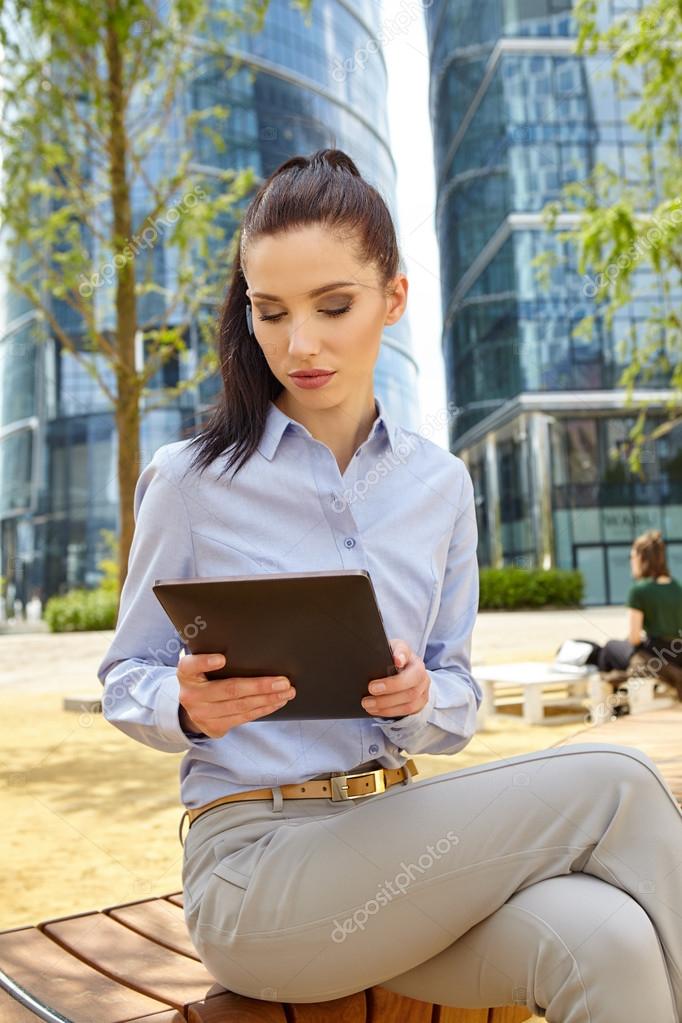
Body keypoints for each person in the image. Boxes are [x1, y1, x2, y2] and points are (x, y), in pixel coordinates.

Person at [97, 149, 682, 1023]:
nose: (302, 343)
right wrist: (185, 705)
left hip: (404, 852)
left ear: (393, 298)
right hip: (258, 874)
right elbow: (123, 677)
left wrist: (416, 699)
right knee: (619, 778)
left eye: (334, 306)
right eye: (271, 312)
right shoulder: (190, 481)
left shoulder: (440, 486)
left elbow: (458, 695)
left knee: (610, 941)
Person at [580, 531, 682, 689]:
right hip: (677, 657)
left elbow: (634, 638)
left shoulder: (639, 590)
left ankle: (612, 701)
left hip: (654, 657)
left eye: (632, 557)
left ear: (642, 558)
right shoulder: (678, 588)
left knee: (610, 647)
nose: (631, 562)